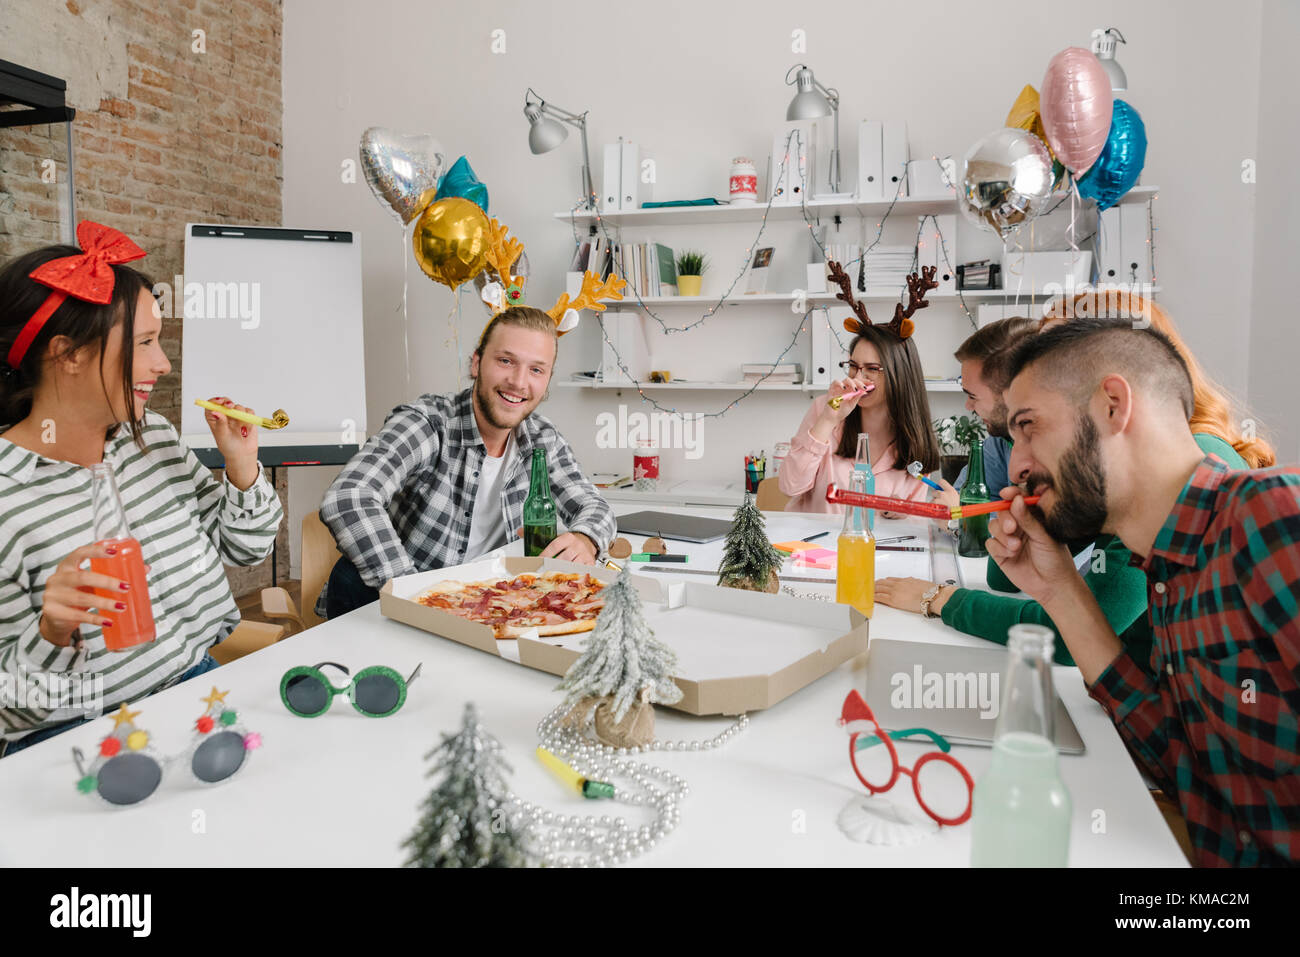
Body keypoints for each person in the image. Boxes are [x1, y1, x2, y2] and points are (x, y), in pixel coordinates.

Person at [986, 317, 1299, 866]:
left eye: (1028, 427)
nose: (1017, 464)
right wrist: (1057, 588)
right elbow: (1182, 764)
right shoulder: (1166, 573)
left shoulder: (1270, 515)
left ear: (1112, 404)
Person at [0, 224, 283, 758]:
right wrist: (52, 631)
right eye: (145, 343)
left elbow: (244, 548)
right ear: (68, 355)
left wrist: (242, 467)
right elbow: (12, 710)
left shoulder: (150, 436)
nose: (164, 364)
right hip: (80, 738)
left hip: (198, 691)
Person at [319, 305, 617, 618]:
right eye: (505, 361)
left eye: (536, 370)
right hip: (377, 602)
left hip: (475, 605)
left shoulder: (541, 437)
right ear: (477, 363)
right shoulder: (428, 423)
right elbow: (349, 497)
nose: (518, 382)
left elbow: (595, 507)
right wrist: (410, 593)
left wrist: (586, 538)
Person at [779, 321, 954, 514]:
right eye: (853, 366)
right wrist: (827, 420)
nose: (859, 378)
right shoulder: (825, 407)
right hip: (813, 542)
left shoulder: (914, 437)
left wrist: (903, 514)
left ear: (900, 374)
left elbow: (914, 525)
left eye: (872, 369)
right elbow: (790, 486)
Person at [952, 316, 1037, 495]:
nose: (968, 406)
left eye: (973, 396)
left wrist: (961, 519)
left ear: (1013, 395)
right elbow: (964, 497)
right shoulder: (1001, 442)